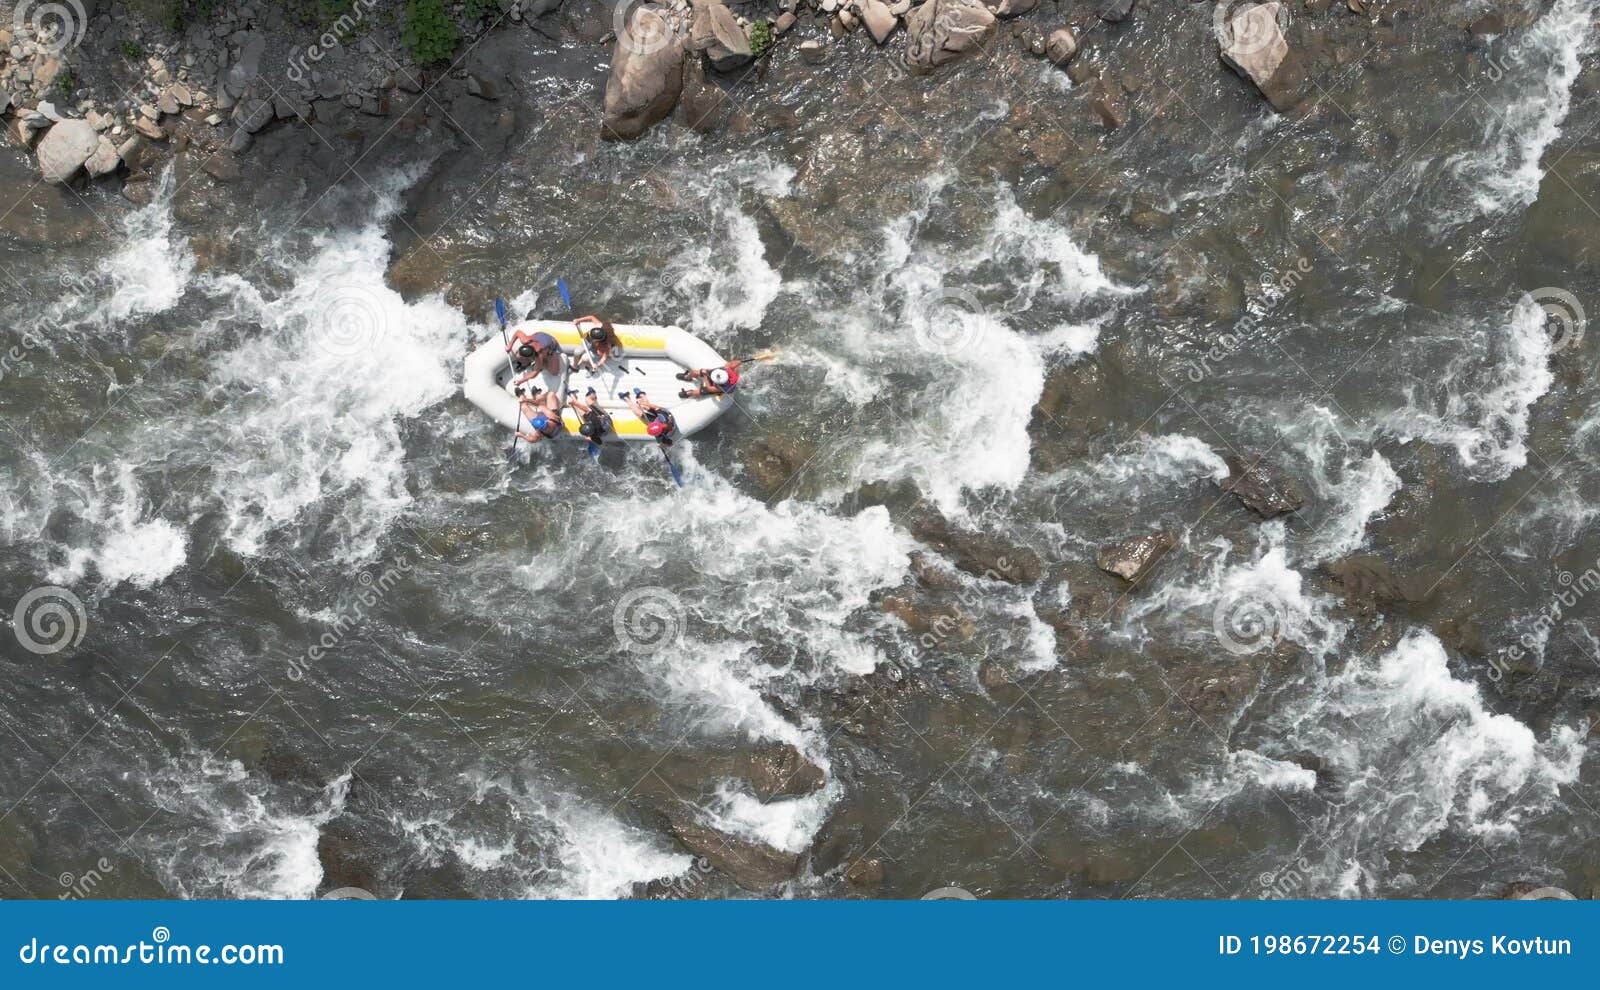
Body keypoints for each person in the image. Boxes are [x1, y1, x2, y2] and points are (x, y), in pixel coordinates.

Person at [676, 359, 743, 399]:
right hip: (716, 374)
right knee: (695, 372)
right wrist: (738, 362)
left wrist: (705, 376)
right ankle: (687, 377)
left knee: (700, 391)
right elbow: (733, 364)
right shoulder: (728, 370)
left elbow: (709, 388)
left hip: (717, 387)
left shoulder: (724, 387)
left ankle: (689, 393)